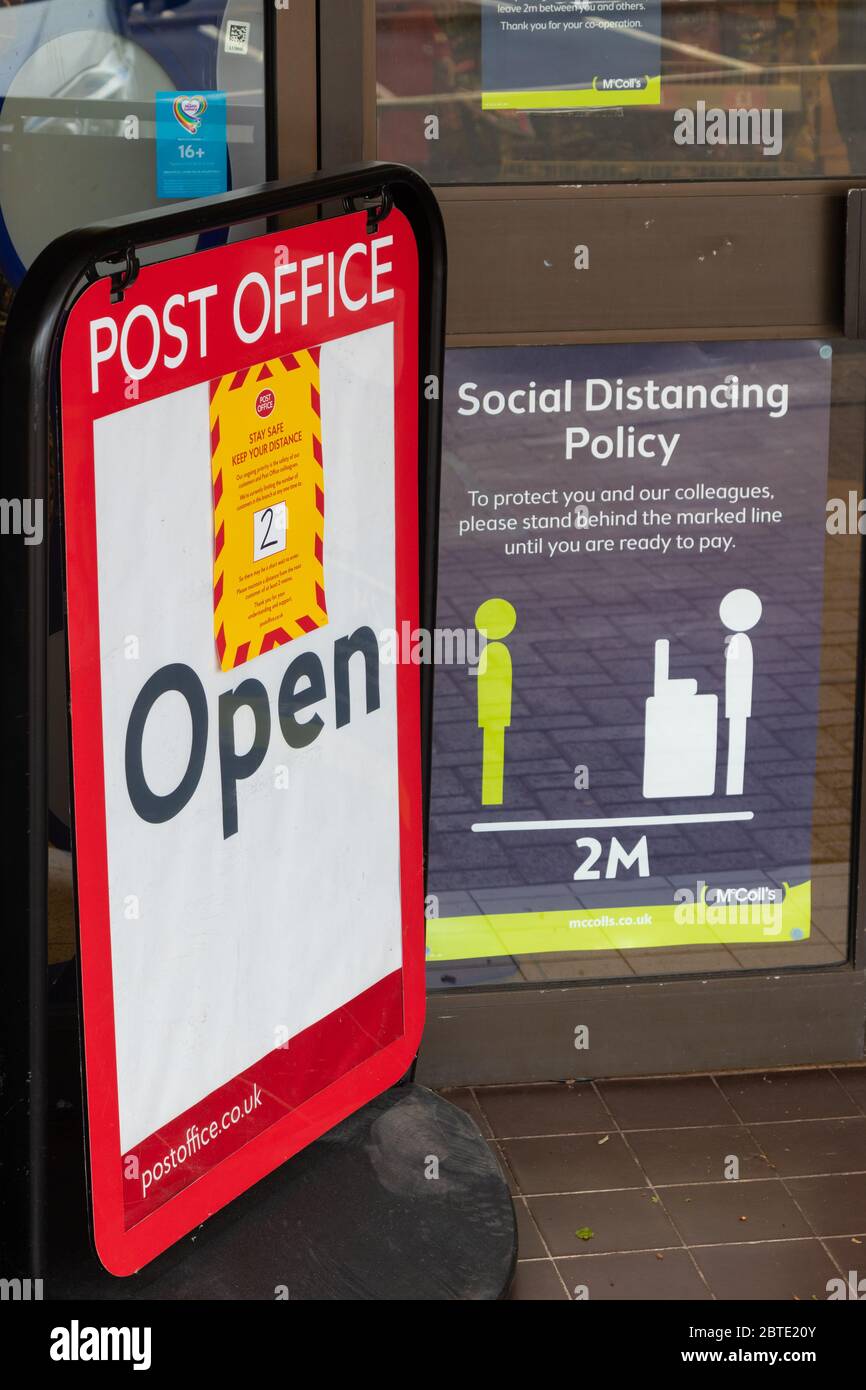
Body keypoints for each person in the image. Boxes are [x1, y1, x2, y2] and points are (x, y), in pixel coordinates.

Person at [720, 588, 762, 796]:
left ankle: (734, 786)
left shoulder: (739, 643)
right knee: (737, 735)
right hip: (738, 700)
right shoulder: (742, 642)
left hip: (738, 700)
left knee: (737, 737)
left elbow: (737, 666)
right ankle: (733, 786)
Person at [475, 598, 516, 806]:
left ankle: (492, 796)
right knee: (494, 749)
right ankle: (492, 795)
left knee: (493, 750)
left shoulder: (491, 653)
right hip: (496, 712)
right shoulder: (500, 653)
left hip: (492, 712)